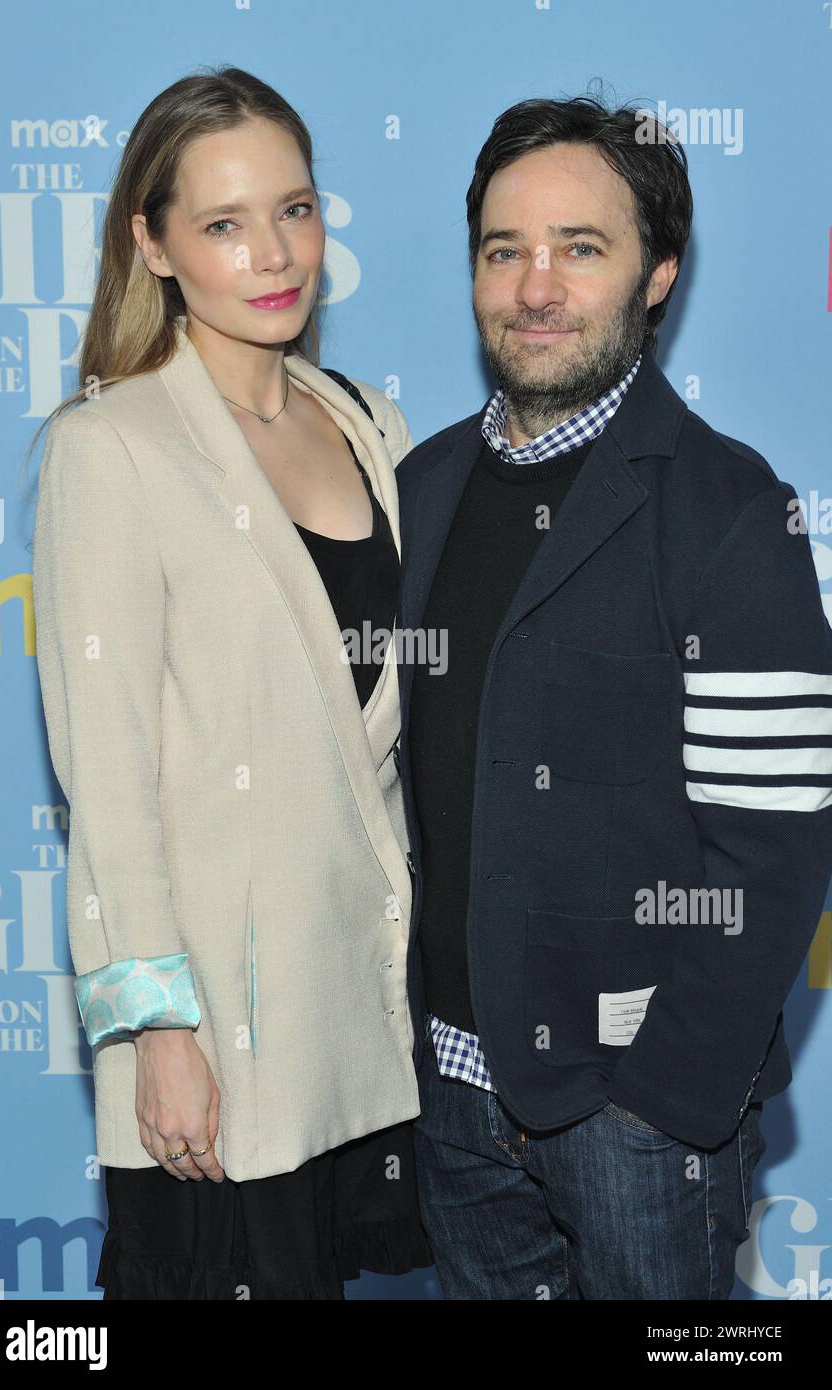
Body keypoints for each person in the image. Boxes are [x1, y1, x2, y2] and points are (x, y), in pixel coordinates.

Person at [394, 94, 832, 1299]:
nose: (535, 286)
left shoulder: (731, 511)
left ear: (658, 275)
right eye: (504, 251)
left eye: (580, 248)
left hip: (633, 1123)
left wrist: (662, 1102)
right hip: (449, 1100)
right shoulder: (420, 488)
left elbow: (779, 847)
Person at [30, 65, 432, 1300]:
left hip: (363, 1019)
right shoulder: (111, 449)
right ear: (151, 245)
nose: (274, 253)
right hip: (221, 1028)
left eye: (296, 210)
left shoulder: (374, 424)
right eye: (223, 223)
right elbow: (105, 779)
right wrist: (158, 1033)